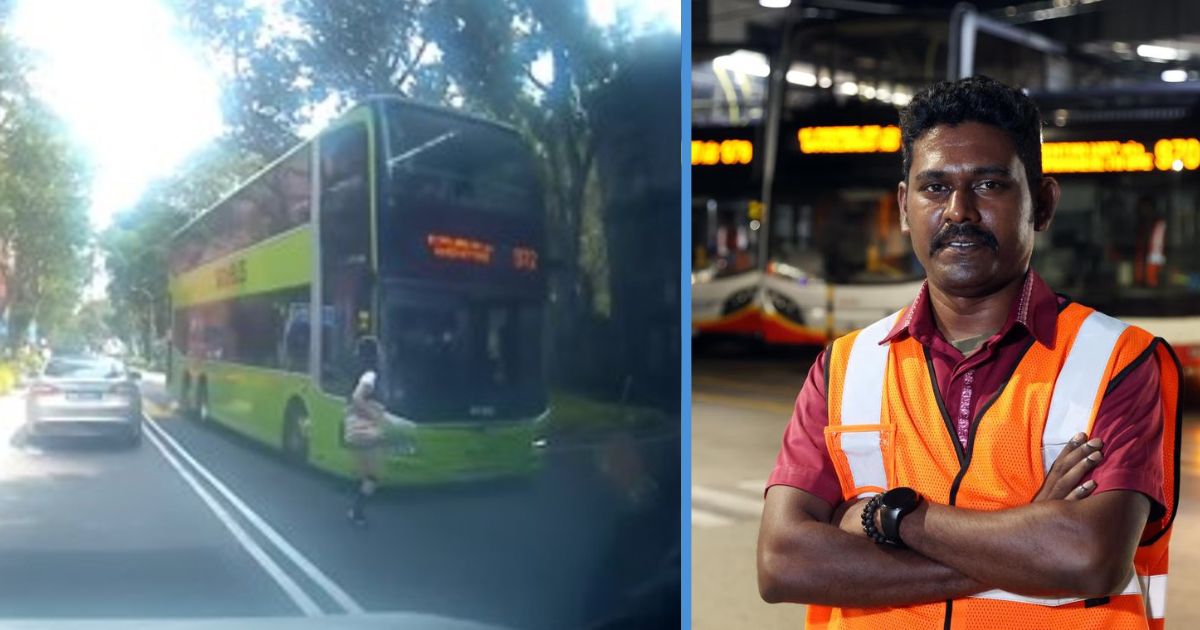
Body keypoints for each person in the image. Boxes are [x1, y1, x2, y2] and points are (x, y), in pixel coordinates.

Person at [757, 76, 1181, 629]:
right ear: (905, 208)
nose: (959, 210)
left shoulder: (1117, 363)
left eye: (988, 185)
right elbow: (782, 564)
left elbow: (1088, 556)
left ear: (1043, 203)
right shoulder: (843, 369)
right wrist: (1026, 533)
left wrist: (890, 518)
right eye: (934, 188)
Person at [344, 336, 388, 526]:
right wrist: (375, 416)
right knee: (374, 475)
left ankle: (355, 509)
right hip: (367, 430)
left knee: (364, 474)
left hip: (355, 429)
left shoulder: (358, 372)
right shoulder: (370, 375)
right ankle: (357, 511)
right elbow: (357, 398)